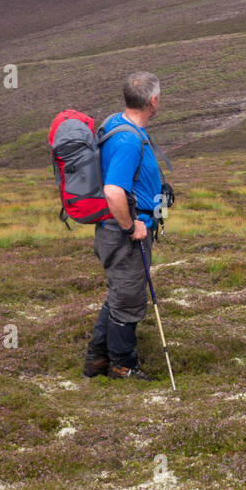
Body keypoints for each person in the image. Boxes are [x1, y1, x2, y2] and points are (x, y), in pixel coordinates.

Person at [82, 72, 166, 381]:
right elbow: (114, 190)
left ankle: (96, 361)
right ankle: (122, 365)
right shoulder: (129, 139)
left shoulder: (115, 122)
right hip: (123, 234)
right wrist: (132, 228)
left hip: (116, 230)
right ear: (153, 102)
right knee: (129, 297)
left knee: (119, 294)